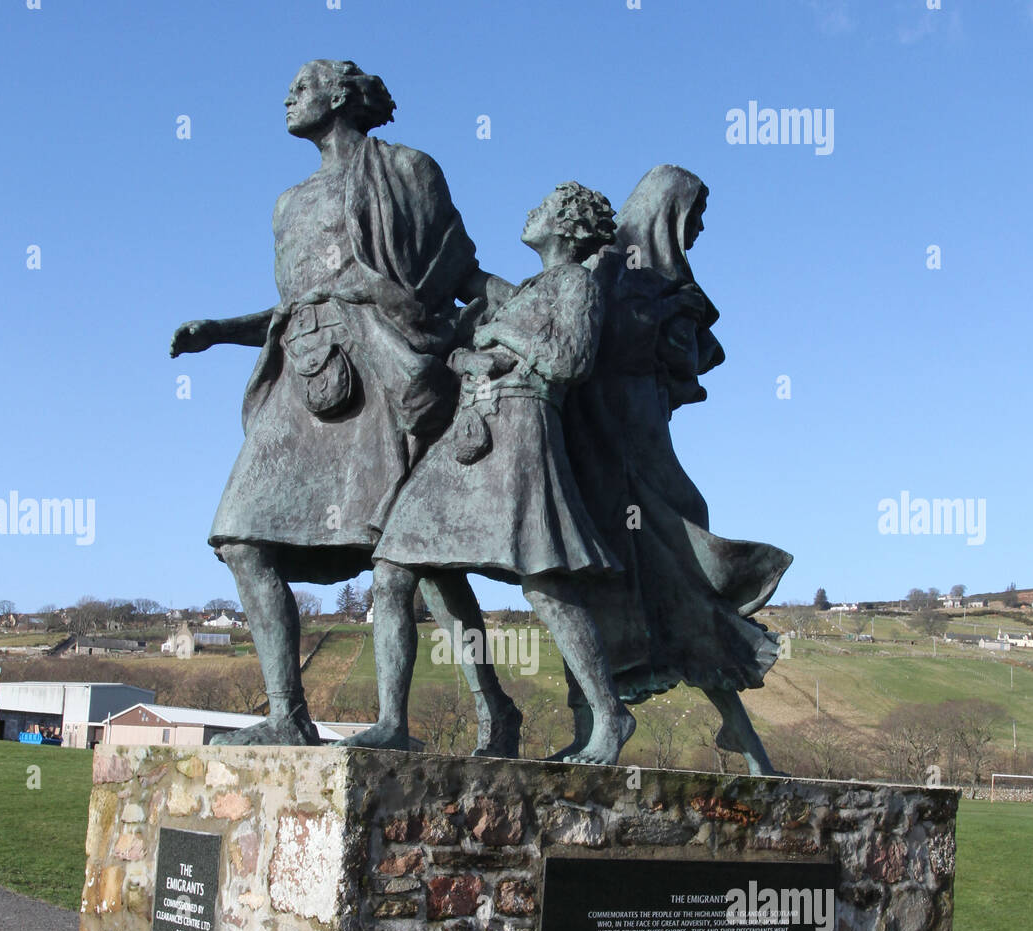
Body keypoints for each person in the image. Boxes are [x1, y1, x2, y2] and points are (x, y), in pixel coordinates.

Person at [170, 60, 518, 751]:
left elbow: (456, 272)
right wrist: (221, 331)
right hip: (303, 376)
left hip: (386, 370)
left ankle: (468, 713)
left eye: (301, 86)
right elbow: (296, 304)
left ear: (340, 96)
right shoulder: (287, 204)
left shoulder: (409, 169)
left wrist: (528, 312)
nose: (288, 96)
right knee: (242, 540)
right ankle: (288, 717)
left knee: (417, 557)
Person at [360, 183, 636, 765]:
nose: (530, 210)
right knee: (398, 563)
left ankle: (610, 716)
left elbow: (569, 360)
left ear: (567, 225)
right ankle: (393, 721)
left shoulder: (575, 283)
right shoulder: (524, 290)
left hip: (522, 427)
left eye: (544, 206)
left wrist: (496, 334)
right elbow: (461, 348)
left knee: (544, 579)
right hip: (470, 428)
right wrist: (471, 353)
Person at [559, 164, 792, 773]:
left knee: (678, 594)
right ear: (665, 213)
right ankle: (594, 732)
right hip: (604, 450)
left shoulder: (641, 285)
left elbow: (683, 364)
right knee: (591, 594)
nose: (698, 233)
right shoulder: (611, 275)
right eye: (694, 219)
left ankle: (743, 743)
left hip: (634, 456)